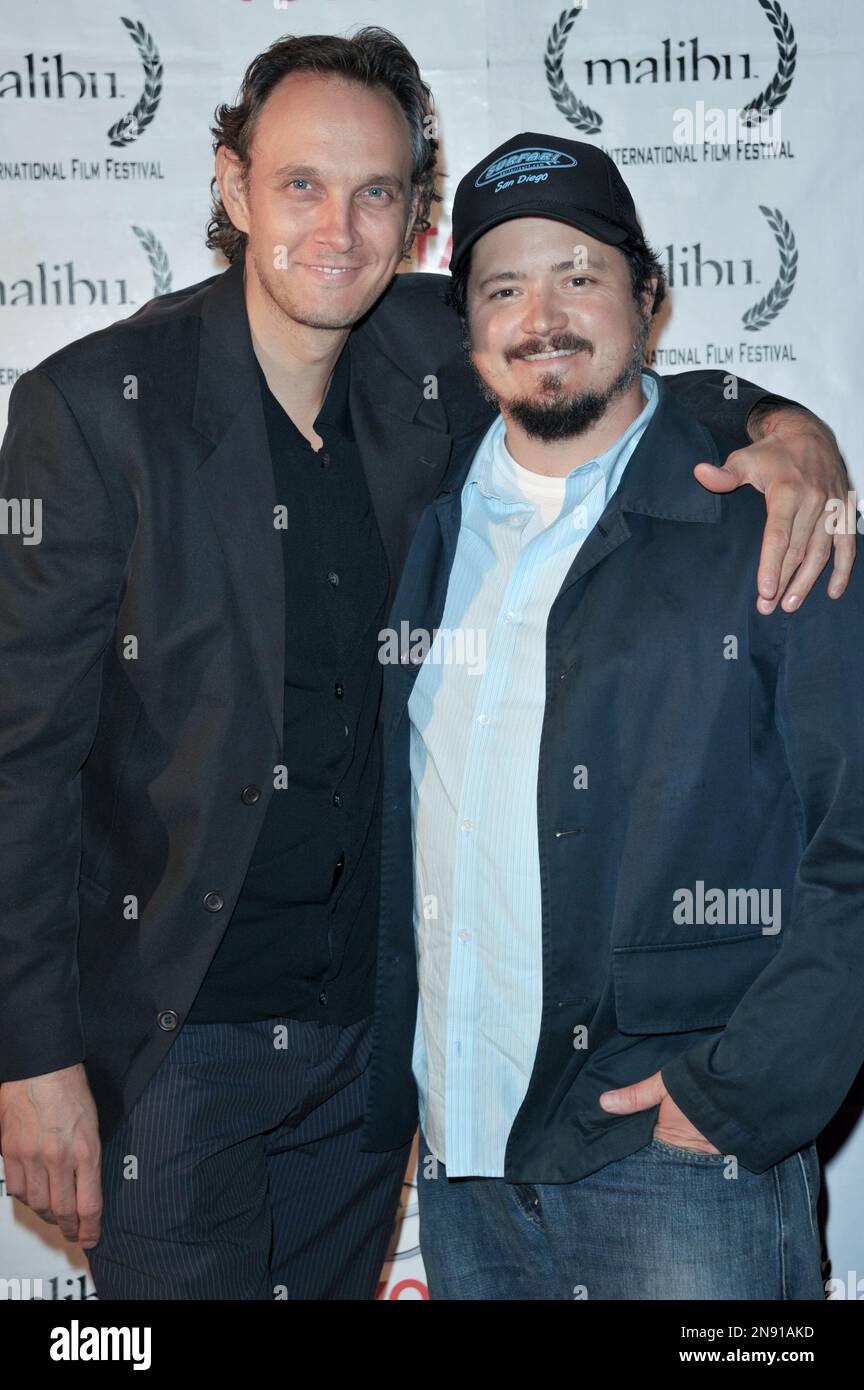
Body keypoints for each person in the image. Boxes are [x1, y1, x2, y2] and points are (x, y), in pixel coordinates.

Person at [0, 30, 853, 1301]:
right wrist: (30, 1056)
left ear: (414, 220)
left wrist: (793, 430)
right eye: (299, 185)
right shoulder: (97, 407)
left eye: (377, 192)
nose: (337, 229)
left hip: (377, 1062)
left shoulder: (424, 356)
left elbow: (603, 358)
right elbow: (22, 755)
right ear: (233, 187)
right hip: (177, 1044)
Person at [359, 130, 864, 1300]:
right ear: (469, 323)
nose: (542, 313)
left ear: (650, 298)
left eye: (579, 274)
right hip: (463, 1176)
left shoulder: (772, 524)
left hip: (679, 1172)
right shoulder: (424, 526)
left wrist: (742, 1093)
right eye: (503, 285)